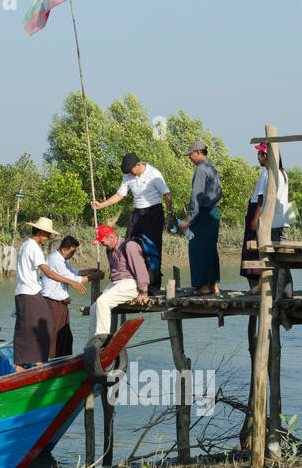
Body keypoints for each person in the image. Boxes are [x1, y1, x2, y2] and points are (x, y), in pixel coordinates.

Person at [91, 152, 173, 290]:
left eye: (132, 170)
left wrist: (170, 215)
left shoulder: (154, 174)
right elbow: (120, 194)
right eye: (129, 172)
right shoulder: (128, 175)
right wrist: (101, 205)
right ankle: (130, 278)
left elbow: (167, 194)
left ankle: (153, 284)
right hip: (137, 213)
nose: (131, 174)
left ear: (139, 165)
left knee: (152, 247)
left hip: (153, 212)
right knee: (128, 243)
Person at [13, 217, 65, 368]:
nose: (48, 238)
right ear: (41, 233)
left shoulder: (26, 245)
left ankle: (30, 361)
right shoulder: (33, 247)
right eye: (47, 235)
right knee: (44, 323)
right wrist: (71, 282)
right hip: (29, 292)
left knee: (29, 325)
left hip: (27, 291)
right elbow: (47, 272)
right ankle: (30, 362)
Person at [239, 143, 290, 287]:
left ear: (266, 156)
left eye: (260, 154)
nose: (258, 157)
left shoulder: (268, 172)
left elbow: (261, 198)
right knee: (276, 255)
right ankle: (278, 289)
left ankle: (261, 286)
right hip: (277, 219)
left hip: (264, 216)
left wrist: (255, 219)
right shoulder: (282, 173)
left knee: (256, 252)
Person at [177, 141, 223, 293]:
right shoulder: (212, 168)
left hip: (203, 214)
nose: (190, 157)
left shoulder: (201, 169)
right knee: (210, 249)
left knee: (198, 249)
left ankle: (203, 286)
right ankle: (213, 285)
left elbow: (196, 197)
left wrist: (189, 220)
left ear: (197, 152)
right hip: (214, 213)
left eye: (190, 154)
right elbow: (219, 194)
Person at [87, 225, 150, 338]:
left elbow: (140, 269)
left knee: (102, 302)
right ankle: (92, 342)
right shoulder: (109, 249)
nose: (101, 244)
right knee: (94, 307)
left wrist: (144, 291)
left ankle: (101, 339)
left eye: (102, 241)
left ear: (111, 237)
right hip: (116, 284)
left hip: (131, 283)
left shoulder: (129, 246)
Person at [43, 235, 99, 359]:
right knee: (55, 334)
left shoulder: (61, 259)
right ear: (64, 250)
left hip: (61, 304)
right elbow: (74, 279)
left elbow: (74, 272)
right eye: (72, 251)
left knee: (65, 335)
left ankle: (62, 360)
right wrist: (93, 277)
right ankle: (50, 361)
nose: (73, 254)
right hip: (53, 303)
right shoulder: (56, 261)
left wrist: (89, 270)